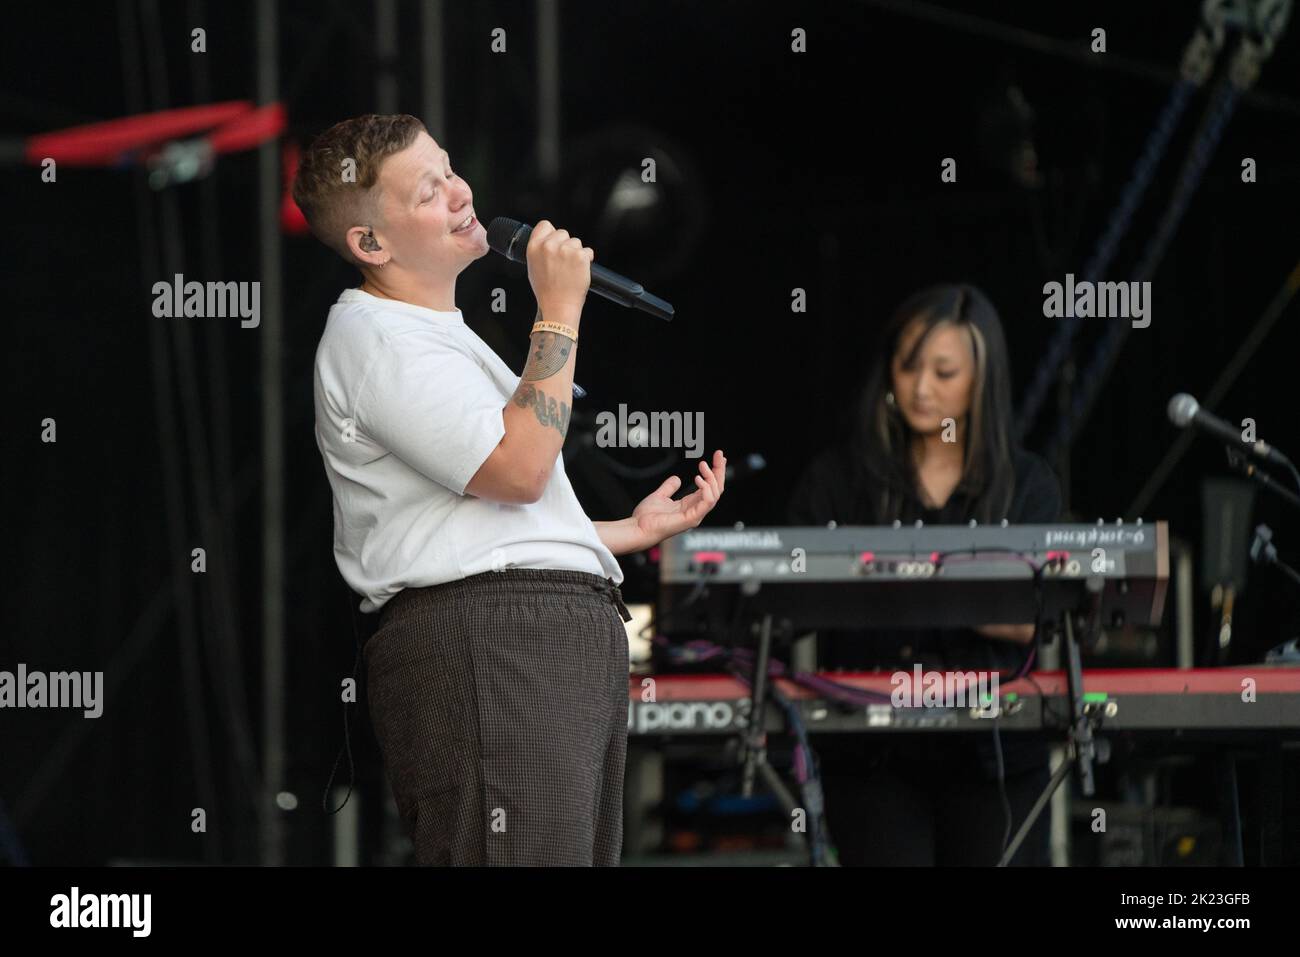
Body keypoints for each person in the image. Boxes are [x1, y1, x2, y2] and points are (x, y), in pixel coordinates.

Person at [293, 114, 727, 865]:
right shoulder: (374, 338)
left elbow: (487, 519)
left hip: (536, 639)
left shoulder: (441, 334)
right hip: (488, 644)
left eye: (451, 169)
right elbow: (519, 471)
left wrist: (619, 530)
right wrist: (558, 308)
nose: (462, 192)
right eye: (430, 190)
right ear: (372, 244)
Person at [787, 283, 1061, 866]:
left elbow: (1035, 617)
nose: (920, 388)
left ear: (981, 381)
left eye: (944, 372)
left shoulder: (1027, 483)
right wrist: (968, 596)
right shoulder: (839, 480)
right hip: (871, 754)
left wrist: (887, 591)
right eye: (908, 365)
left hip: (996, 757)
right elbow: (791, 603)